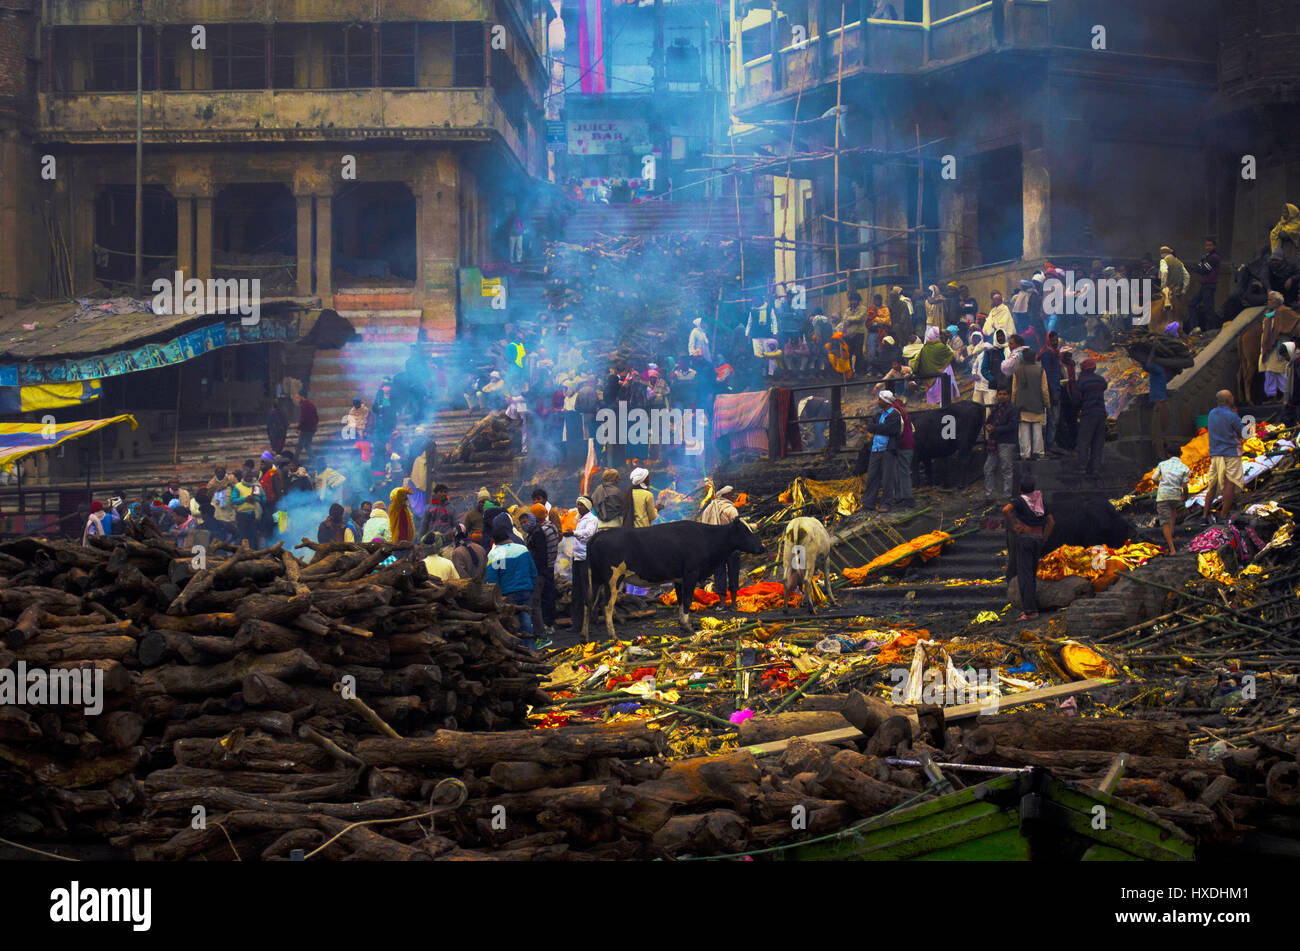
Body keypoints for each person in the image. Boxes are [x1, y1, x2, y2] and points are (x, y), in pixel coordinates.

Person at [1003, 476, 1055, 621]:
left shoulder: (1019, 501)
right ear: (1033, 488)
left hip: (1025, 540)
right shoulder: (1040, 500)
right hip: (1038, 540)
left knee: (1025, 576)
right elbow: (1051, 522)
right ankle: (1031, 608)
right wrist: (1043, 538)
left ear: (1020, 489)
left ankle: (1030, 612)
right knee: (1032, 574)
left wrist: (1014, 526)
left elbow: (1006, 510)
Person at [487, 521, 540, 644]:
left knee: (511, 626)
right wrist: (531, 586)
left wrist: (497, 598)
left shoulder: (495, 554)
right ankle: (530, 650)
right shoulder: (522, 549)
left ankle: (518, 654)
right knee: (527, 622)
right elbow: (533, 571)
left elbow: (492, 580)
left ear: (494, 540)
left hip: (508, 594)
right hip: (526, 590)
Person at [1202, 390, 1244, 525]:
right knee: (1229, 484)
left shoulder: (1211, 413)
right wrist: (1237, 416)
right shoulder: (1232, 416)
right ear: (1228, 400)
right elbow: (1244, 434)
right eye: (1231, 396)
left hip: (1215, 454)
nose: (1233, 397)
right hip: (1231, 453)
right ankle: (1223, 516)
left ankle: (1204, 515)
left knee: (1212, 485)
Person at [699, 485, 741, 608]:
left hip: (716, 547)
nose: (733, 496)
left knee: (719, 574)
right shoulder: (730, 509)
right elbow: (738, 526)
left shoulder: (709, 508)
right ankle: (733, 603)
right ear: (725, 495)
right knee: (733, 573)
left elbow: (705, 528)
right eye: (731, 494)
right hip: (732, 547)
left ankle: (722, 603)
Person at [861, 390, 902, 513]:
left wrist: (877, 428)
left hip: (888, 450)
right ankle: (868, 503)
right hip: (876, 449)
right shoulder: (878, 415)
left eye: (880, 399)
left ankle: (886, 504)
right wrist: (880, 428)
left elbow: (891, 429)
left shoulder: (895, 415)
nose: (878, 401)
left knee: (887, 478)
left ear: (886, 401)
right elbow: (870, 427)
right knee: (872, 476)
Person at [1012, 348, 1051, 460]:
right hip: (1037, 405)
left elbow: (1014, 390)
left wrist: (1013, 404)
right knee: (1037, 431)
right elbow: (1044, 390)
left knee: (1023, 432)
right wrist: (1047, 405)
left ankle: (1025, 454)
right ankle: (1038, 453)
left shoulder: (1017, 370)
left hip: (1021, 406)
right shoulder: (1040, 370)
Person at [569, 497, 599, 641]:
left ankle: (590, 622)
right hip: (577, 558)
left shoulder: (591, 519)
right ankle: (577, 623)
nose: (578, 507)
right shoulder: (579, 519)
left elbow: (589, 534)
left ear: (588, 506)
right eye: (578, 504)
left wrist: (574, 533)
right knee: (577, 591)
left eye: (581, 504)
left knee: (587, 590)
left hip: (586, 558)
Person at [1260, 291, 1300, 398]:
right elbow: (1267, 321)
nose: (1268, 302)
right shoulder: (1271, 312)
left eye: (1270, 300)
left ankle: (1285, 395)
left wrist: (1284, 331)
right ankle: (1271, 395)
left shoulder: (1285, 311)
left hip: (1282, 344)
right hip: (1270, 346)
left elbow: (1296, 320)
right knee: (1269, 371)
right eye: (1268, 299)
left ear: (1278, 301)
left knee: (1282, 370)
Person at [1075, 358, 1109, 475]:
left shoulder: (1082, 381)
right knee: (1098, 442)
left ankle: (1081, 467)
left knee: (1084, 441)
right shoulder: (1100, 380)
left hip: (1088, 413)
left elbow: (1077, 399)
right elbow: (1105, 386)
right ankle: (1095, 468)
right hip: (1101, 413)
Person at [984, 387, 1019, 500]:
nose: (1002, 396)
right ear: (997, 395)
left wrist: (995, 429)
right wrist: (989, 427)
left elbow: (1012, 426)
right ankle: (990, 495)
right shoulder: (995, 409)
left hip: (1007, 442)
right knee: (988, 468)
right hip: (994, 442)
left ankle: (1007, 496)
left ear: (1008, 396)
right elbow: (988, 421)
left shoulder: (1012, 409)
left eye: (1004, 394)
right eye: (1000, 394)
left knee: (1006, 468)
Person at [1153, 452, 1190, 554]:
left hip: (1163, 496)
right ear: (1181, 454)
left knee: (1165, 522)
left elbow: (1154, 478)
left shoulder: (1162, 464)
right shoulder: (1184, 467)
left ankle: (1172, 549)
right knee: (1172, 515)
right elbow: (1185, 486)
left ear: (1168, 454)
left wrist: (1160, 486)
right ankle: (1171, 535)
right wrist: (1186, 497)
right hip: (1175, 496)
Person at [911, 327, 956, 404]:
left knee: (936, 399)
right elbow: (951, 355)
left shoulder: (924, 348)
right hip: (943, 374)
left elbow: (917, 363)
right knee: (945, 397)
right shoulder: (941, 346)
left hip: (930, 377)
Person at [1191, 239, 1222, 334]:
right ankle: (1195, 327)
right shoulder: (1206, 256)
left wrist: (1200, 267)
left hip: (1210, 285)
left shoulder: (1215, 257)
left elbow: (1203, 269)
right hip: (1204, 285)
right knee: (1191, 304)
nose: (1207, 247)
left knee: (1208, 308)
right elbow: (1198, 267)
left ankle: (1211, 330)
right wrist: (1200, 267)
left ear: (1214, 246)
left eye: (1210, 245)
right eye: (1206, 245)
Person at [891, 394, 915, 509]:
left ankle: (907, 498)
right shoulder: (903, 411)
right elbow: (912, 428)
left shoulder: (895, 411)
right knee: (901, 471)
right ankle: (902, 497)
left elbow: (899, 429)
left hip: (902, 446)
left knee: (903, 472)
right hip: (909, 444)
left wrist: (896, 443)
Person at [1143, 358, 1170, 459]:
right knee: (1160, 434)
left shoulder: (1158, 370)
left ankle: (1162, 458)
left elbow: (1148, 365)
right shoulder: (1158, 372)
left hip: (1160, 405)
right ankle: (1167, 455)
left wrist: (1147, 358)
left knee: (1157, 434)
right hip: (1161, 404)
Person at [1159, 246, 1190, 332]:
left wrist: (1163, 285)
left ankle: (1165, 331)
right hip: (1178, 292)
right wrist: (1184, 289)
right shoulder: (1179, 262)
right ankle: (1179, 332)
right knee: (1178, 313)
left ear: (1163, 254)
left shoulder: (1164, 261)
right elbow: (1187, 276)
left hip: (1168, 292)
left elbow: (1164, 272)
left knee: (1166, 313)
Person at [230, 468, 263, 548]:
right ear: (243, 476)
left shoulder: (256, 486)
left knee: (254, 537)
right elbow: (233, 500)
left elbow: (263, 499)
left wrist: (255, 499)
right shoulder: (238, 487)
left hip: (253, 515)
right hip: (242, 516)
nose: (248, 477)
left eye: (250, 475)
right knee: (242, 537)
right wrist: (245, 499)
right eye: (246, 475)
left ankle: (254, 555)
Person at [838, 291, 868, 375]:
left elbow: (860, 318)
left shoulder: (863, 308)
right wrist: (849, 320)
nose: (853, 302)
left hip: (859, 334)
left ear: (858, 301)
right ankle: (850, 371)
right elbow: (844, 320)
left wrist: (849, 319)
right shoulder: (848, 310)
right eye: (851, 300)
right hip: (848, 335)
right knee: (849, 353)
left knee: (858, 353)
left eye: (855, 300)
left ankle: (859, 371)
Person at [969, 332, 998, 407]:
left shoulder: (994, 358)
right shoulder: (980, 356)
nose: (986, 350)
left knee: (989, 406)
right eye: (985, 349)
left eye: (987, 349)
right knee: (976, 405)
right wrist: (974, 374)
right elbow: (974, 367)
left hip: (988, 386)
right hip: (978, 384)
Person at [295, 393, 319, 460]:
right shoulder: (311, 404)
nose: (297, 400)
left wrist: (298, 428)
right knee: (307, 446)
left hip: (306, 430)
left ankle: (294, 462)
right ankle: (314, 460)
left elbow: (303, 418)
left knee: (300, 446)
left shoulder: (304, 405)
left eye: (297, 398)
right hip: (311, 429)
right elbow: (316, 418)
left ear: (301, 397)